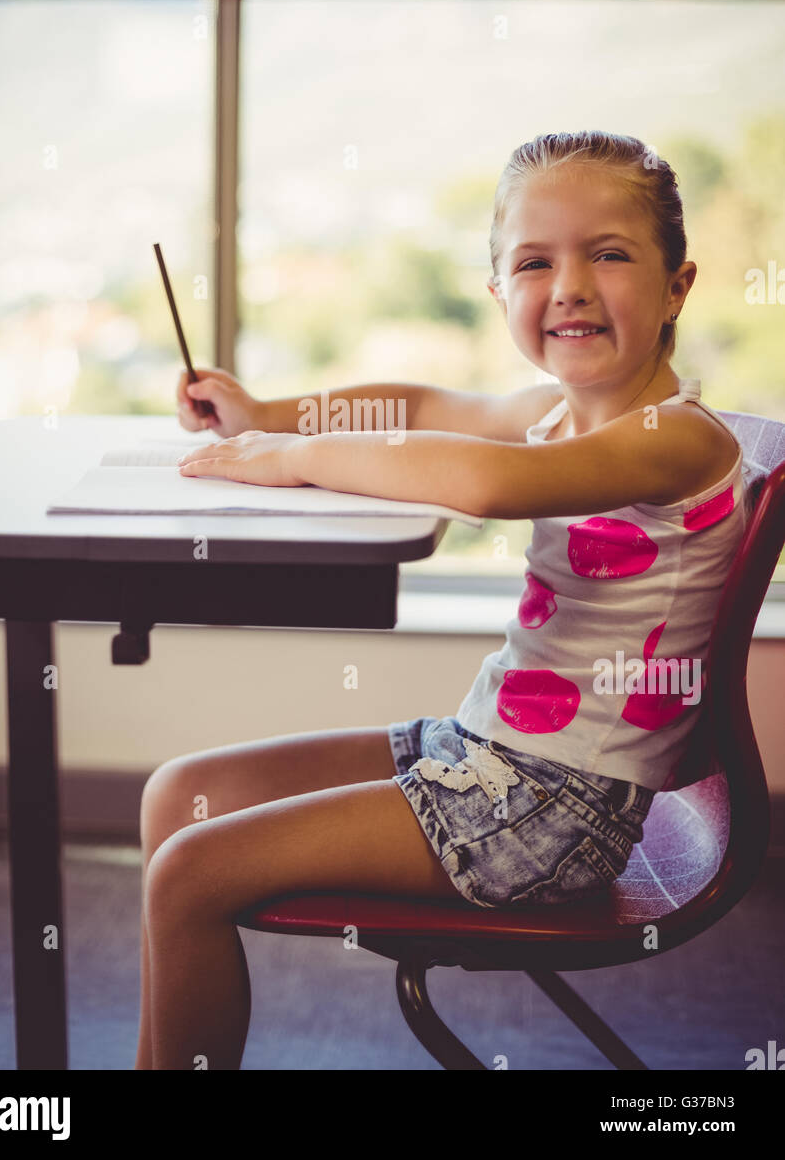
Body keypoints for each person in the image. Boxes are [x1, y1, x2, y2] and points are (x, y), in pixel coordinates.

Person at [136, 129, 749, 1070]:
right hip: (491, 757)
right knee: (180, 797)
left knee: (189, 870)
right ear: (500, 291)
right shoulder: (552, 414)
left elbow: (483, 486)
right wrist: (267, 415)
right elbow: (416, 407)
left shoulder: (677, 439)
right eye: (535, 262)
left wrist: (292, 460)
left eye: (610, 254)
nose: (571, 286)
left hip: (559, 806)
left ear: (678, 285)